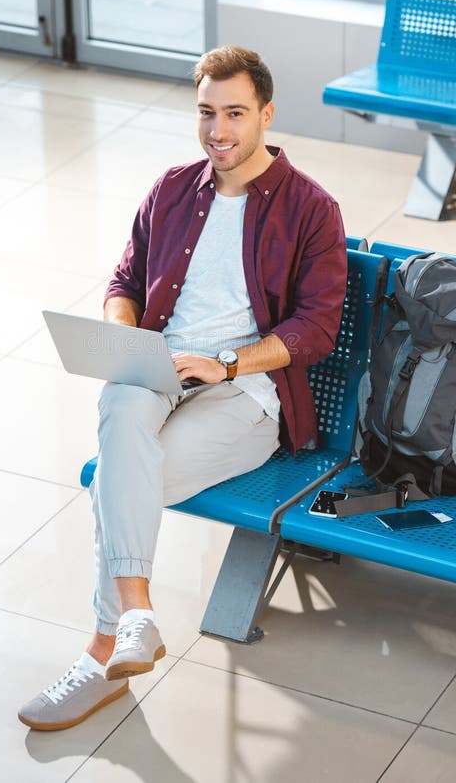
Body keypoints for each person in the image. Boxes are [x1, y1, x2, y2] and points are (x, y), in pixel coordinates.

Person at [18, 45, 347, 731]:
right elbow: (124, 284)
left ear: (265, 114)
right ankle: (135, 617)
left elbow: (315, 328)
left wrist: (226, 364)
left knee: (119, 478)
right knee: (120, 399)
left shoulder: (311, 208)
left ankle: (103, 649)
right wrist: (123, 340)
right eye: (205, 113)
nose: (217, 131)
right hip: (158, 369)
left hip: (245, 393)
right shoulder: (172, 188)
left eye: (233, 114)